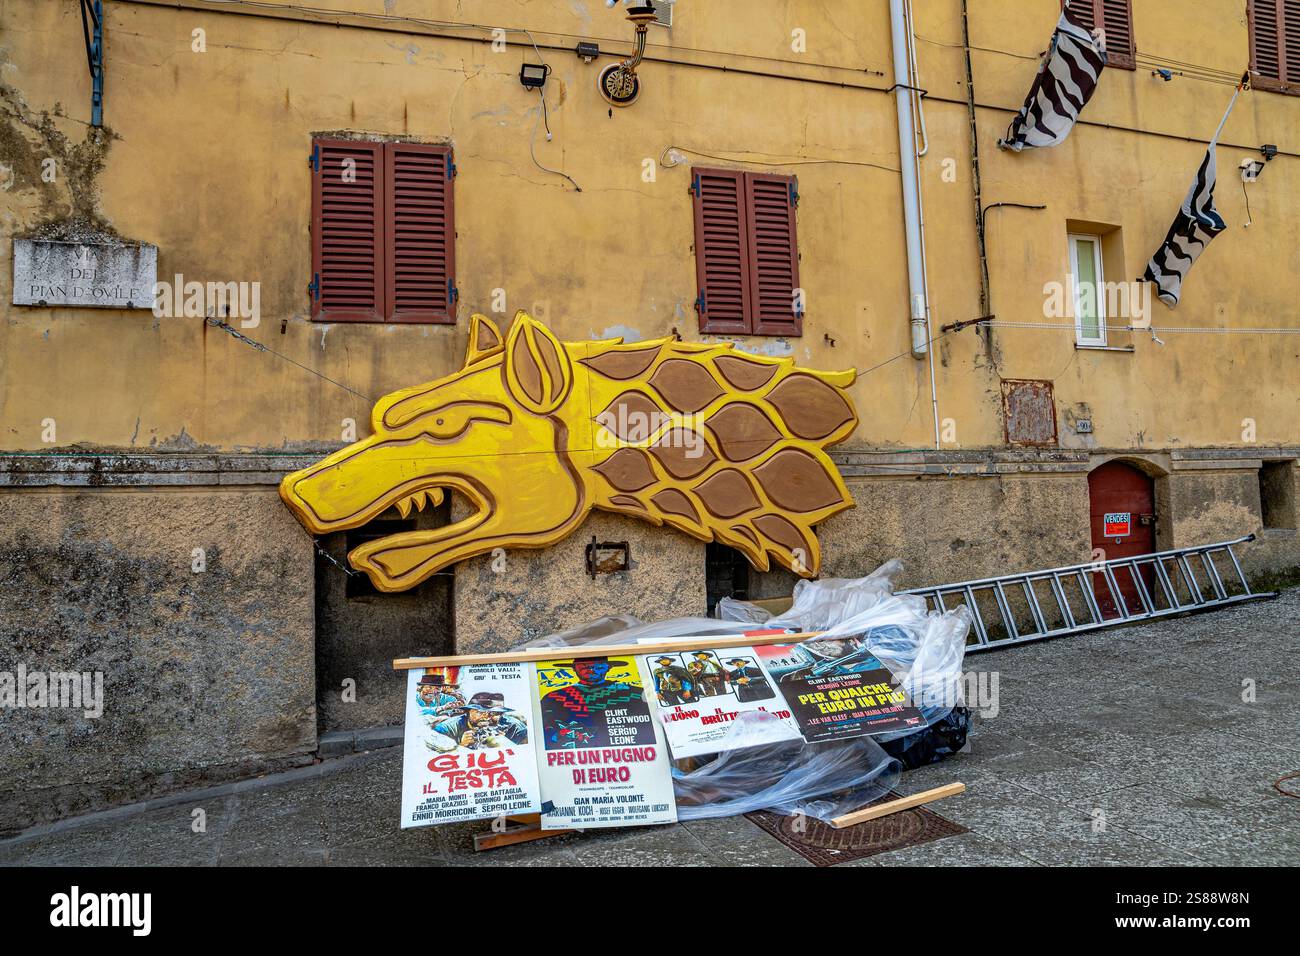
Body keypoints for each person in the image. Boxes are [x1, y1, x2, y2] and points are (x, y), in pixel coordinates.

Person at [539, 658, 656, 748]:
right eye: (583, 666)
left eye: (598, 665)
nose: (590, 668)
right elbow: (544, 730)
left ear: (608, 667)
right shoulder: (554, 697)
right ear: (575, 668)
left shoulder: (635, 693)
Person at [429, 691, 529, 752]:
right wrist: (460, 746)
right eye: (480, 712)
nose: (487, 717)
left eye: (494, 713)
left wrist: (507, 743)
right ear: (468, 712)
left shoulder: (515, 727)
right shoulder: (447, 728)